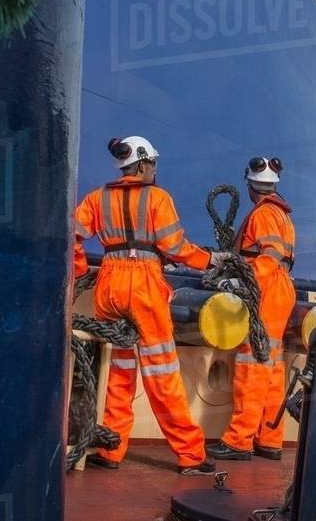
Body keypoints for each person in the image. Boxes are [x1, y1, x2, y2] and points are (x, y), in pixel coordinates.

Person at [70, 135, 217, 475]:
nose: (155, 170)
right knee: (162, 374)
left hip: (109, 286)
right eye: (153, 164)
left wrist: (79, 268)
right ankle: (191, 455)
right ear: (145, 164)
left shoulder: (96, 199)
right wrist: (207, 260)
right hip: (145, 288)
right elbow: (175, 246)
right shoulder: (158, 197)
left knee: (120, 373)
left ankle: (111, 450)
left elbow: (73, 234)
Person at [207, 156, 296, 461]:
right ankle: (269, 440)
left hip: (267, 289)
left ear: (250, 186)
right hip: (281, 288)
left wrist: (242, 282)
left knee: (252, 365)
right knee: (271, 367)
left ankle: (238, 441)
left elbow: (268, 256)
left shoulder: (263, 215)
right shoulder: (281, 214)